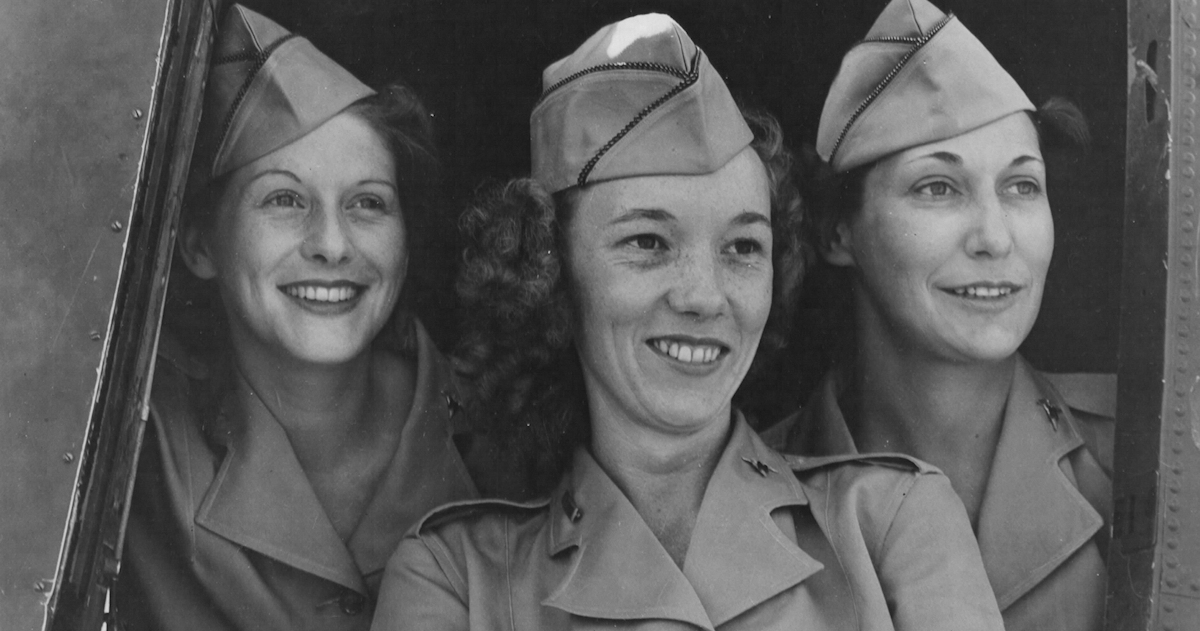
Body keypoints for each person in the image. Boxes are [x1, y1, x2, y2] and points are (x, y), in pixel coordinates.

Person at [370, 14, 1004, 630]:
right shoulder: (455, 578)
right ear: (547, 271)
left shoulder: (891, 523)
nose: (706, 297)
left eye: (743, 248)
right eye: (648, 242)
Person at [114, 5, 494, 629]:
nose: (333, 244)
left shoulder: (502, 434)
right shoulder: (136, 455)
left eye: (369, 203)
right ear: (199, 245)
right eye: (285, 199)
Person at [762, 1, 1112, 630]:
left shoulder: (1147, 461)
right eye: (938, 188)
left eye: (1021, 186)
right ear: (836, 231)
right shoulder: (750, 496)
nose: (995, 238)